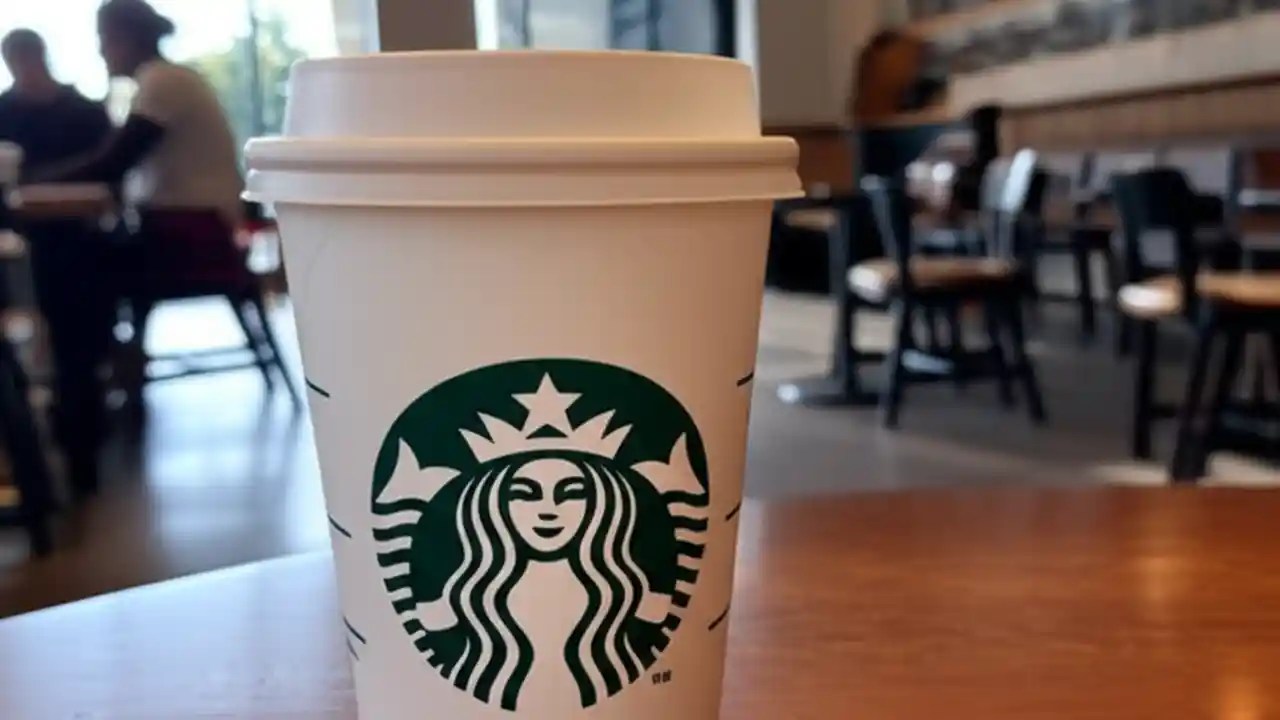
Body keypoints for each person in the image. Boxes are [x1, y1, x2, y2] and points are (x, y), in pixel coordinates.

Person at [50, 0, 247, 413]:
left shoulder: (164, 82)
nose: (102, 51)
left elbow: (114, 161)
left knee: (76, 268)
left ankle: (86, 384)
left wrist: (35, 180)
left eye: (105, 40)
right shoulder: (166, 81)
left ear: (126, 38)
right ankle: (103, 373)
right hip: (186, 227)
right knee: (87, 258)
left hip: (192, 235)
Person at [0, 29, 114, 498]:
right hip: (31, 245)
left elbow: (109, 179)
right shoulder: (9, 112)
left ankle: (77, 442)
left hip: (72, 243)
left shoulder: (83, 111)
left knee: (76, 346)